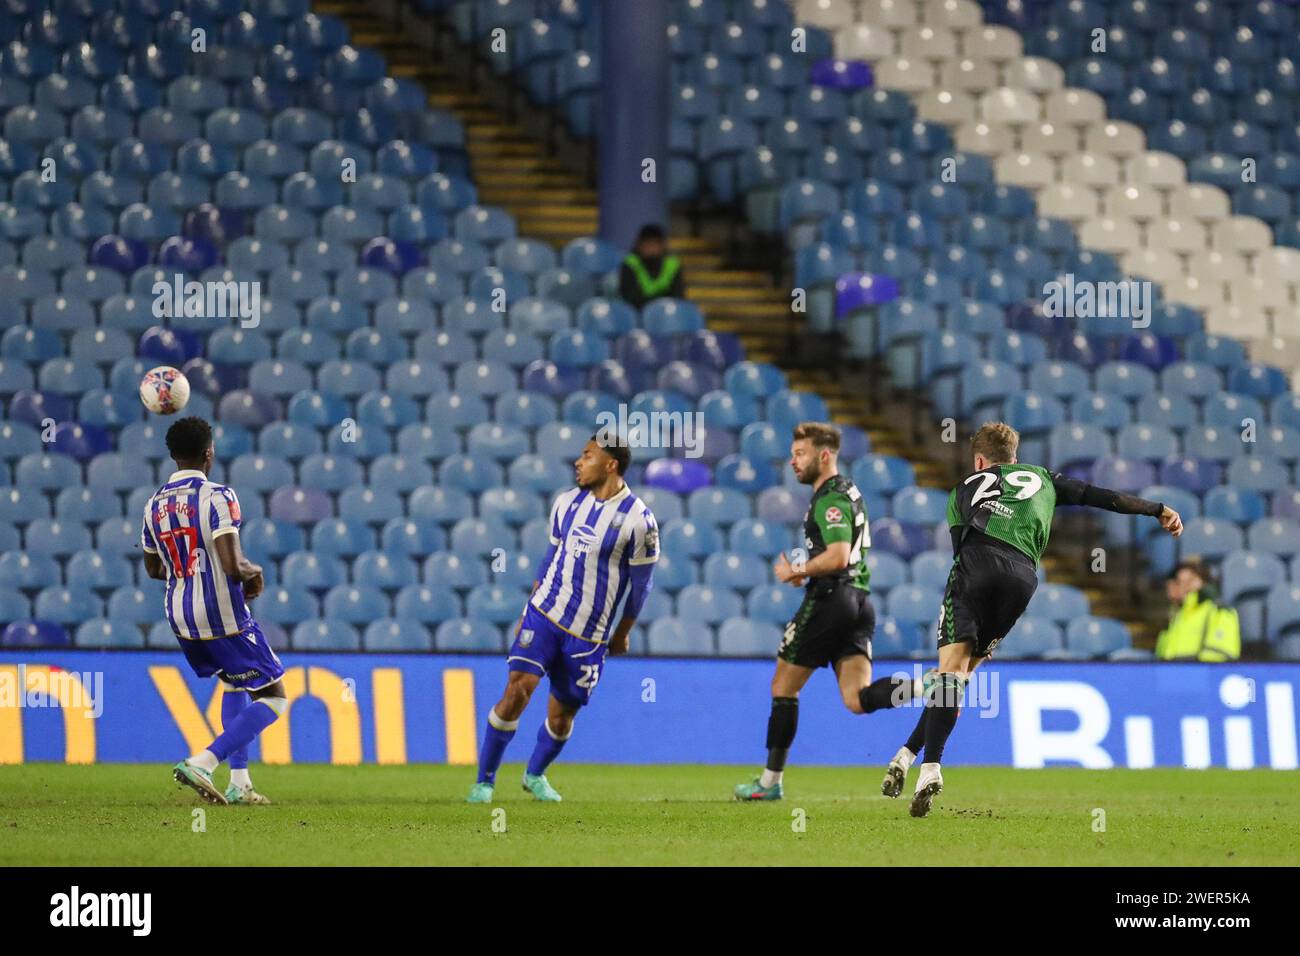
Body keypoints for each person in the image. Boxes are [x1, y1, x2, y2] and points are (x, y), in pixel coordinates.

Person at [881, 422, 1184, 817]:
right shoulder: (1044, 479)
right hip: (1022, 578)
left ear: (978, 460)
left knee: (949, 672)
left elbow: (962, 549)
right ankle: (905, 755)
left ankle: (931, 767)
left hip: (978, 565)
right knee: (960, 676)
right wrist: (1156, 509)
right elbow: (1101, 497)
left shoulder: (962, 490)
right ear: (1014, 459)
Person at [733, 422, 921, 802]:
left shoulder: (830, 498)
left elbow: (836, 556)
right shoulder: (848, 490)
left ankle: (770, 783)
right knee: (857, 698)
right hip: (859, 602)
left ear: (825, 455)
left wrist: (797, 570)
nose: (793, 462)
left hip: (831, 601)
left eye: (800, 454)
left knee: (783, 687)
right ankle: (927, 686)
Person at [467, 434, 658, 803]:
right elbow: (550, 556)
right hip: (545, 615)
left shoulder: (639, 521)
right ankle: (484, 782)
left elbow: (641, 586)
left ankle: (534, 775)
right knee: (516, 691)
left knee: (561, 717)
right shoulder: (566, 504)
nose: (578, 461)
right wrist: (531, 603)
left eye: (587, 456)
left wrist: (623, 632)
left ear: (610, 464)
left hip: (589, 635)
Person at [140, 417, 281, 806]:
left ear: (172, 455)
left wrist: (188, 565)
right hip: (221, 613)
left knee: (236, 682)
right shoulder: (218, 496)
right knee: (274, 698)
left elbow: (154, 569)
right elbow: (233, 565)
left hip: (180, 616)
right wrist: (253, 571)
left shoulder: (153, 505)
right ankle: (204, 762)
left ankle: (240, 784)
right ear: (209, 452)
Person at [1155, 559, 1241, 662]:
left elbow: (1221, 653)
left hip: (1199, 674)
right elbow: (1164, 653)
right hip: (1172, 673)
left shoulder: (1219, 610)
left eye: (1190, 580)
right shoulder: (1178, 615)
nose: (1185, 586)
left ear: (1203, 581)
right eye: (1180, 582)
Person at [618, 224, 685, 308]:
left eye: (655, 243)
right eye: (648, 243)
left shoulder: (673, 265)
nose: (651, 248)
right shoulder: (630, 263)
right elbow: (629, 298)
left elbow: (678, 297)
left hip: (665, 314)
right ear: (639, 245)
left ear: (662, 245)